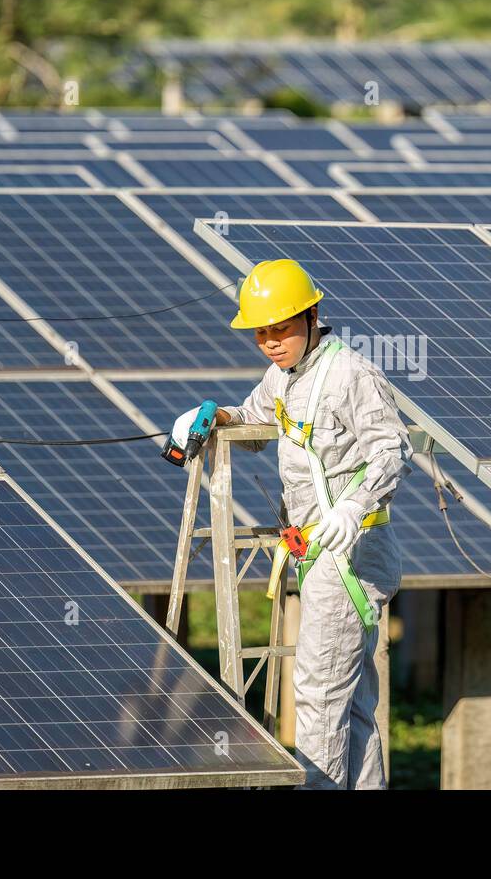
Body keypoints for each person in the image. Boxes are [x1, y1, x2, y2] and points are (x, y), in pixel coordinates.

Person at [169, 258, 412, 789]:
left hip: (351, 551)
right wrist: (215, 416)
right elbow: (256, 423)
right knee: (352, 705)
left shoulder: (351, 373)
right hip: (317, 555)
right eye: (261, 332)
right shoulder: (282, 375)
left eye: (280, 328)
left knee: (319, 691)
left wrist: (355, 507)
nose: (270, 341)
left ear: (312, 314)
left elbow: (392, 448)